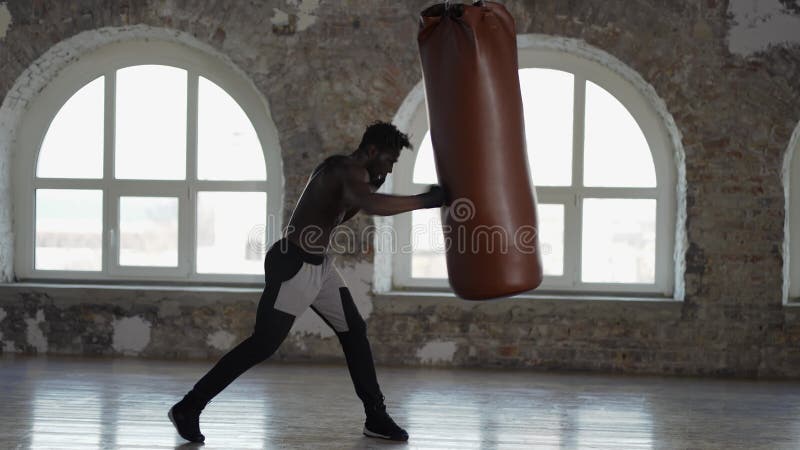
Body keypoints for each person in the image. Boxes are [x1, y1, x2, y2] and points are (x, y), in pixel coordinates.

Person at [168, 121, 446, 443]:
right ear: (372, 151)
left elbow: (350, 206)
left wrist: (377, 182)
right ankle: (189, 407)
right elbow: (372, 206)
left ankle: (376, 416)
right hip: (294, 263)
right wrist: (424, 200)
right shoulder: (343, 170)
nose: (390, 167)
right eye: (389, 160)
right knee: (262, 345)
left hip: (320, 266)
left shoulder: (355, 177)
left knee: (354, 331)